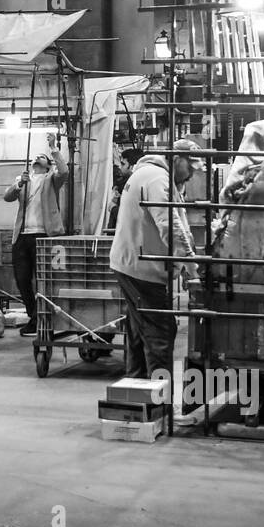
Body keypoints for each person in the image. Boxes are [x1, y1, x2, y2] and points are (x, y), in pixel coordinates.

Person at [108, 138, 205, 380]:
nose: (192, 174)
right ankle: (160, 408)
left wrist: (183, 266)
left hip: (134, 265)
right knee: (160, 332)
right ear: (176, 159)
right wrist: (193, 270)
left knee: (139, 331)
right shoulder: (157, 179)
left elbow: (175, 222)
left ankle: (137, 392)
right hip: (142, 269)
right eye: (190, 167)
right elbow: (170, 227)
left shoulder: (154, 175)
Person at [3, 133, 68, 335]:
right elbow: (7, 197)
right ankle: (33, 316)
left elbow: (64, 171)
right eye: (36, 157)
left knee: (44, 279)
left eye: (42, 157)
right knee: (22, 279)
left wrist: (53, 148)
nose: (37, 159)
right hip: (22, 236)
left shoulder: (51, 179)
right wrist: (18, 184)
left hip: (44, 236)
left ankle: (45, 317)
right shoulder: (23, 179)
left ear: (48, 165)